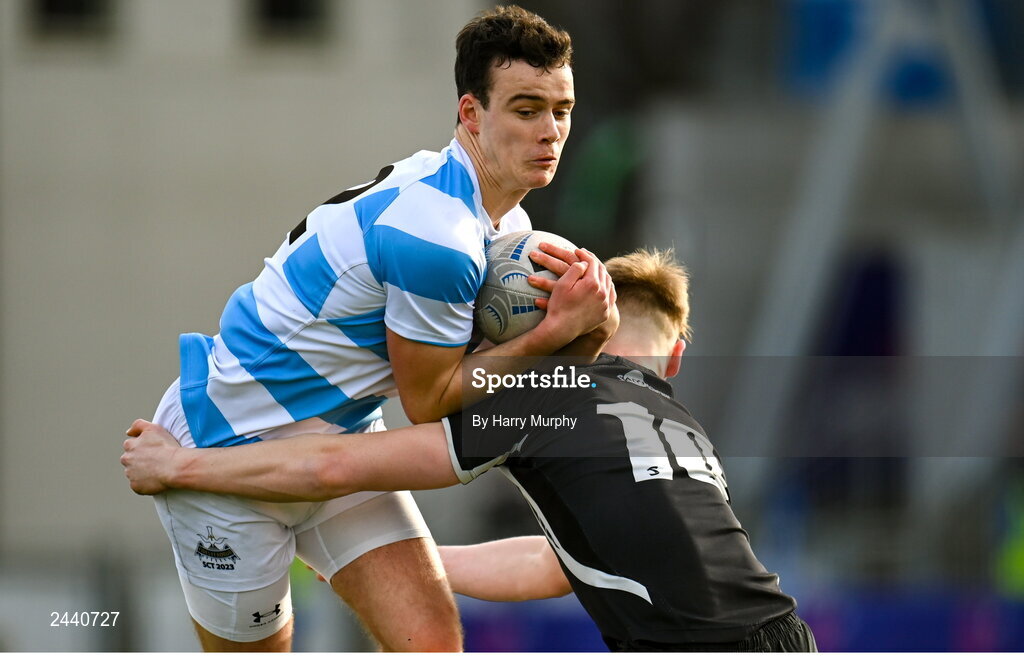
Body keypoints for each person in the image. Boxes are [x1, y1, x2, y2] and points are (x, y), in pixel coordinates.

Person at [137, 5, 617, 651]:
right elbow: (431, 402)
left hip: (338, 446)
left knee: (433, 643)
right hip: (225, 446)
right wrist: (553, 334)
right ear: (471, 114)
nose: (550, 132)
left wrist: (588, 328)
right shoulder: (438, 236)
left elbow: (496, 378)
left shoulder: (508, 230)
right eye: (526, 110)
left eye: (562, 110)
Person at [124, 249, 816, 652]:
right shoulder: (681, 426)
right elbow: (556, 565)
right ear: (676, 357)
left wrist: (181, 465)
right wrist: (386, 567)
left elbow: (332, 465)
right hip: (787, 634)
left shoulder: (547, 394)